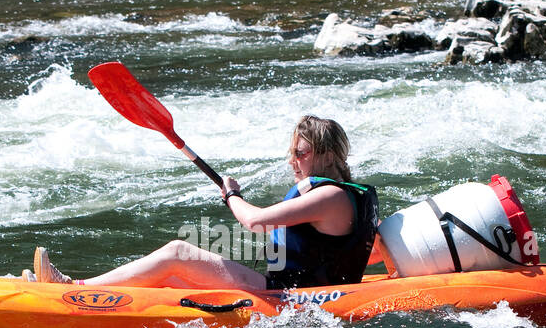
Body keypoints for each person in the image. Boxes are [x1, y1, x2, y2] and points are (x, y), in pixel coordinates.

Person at [31, 116, 381, 290]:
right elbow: (369, 247)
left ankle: (76, 289)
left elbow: (256, 221)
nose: (293, 161)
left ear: (327, 154)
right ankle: (101, 298)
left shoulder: (330, 195)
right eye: (292, 152)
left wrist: (232, 196)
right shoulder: (344, 196)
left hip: (289, 297)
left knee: (177, 252)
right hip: (291, 290)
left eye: (300, 153)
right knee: (172, 279)